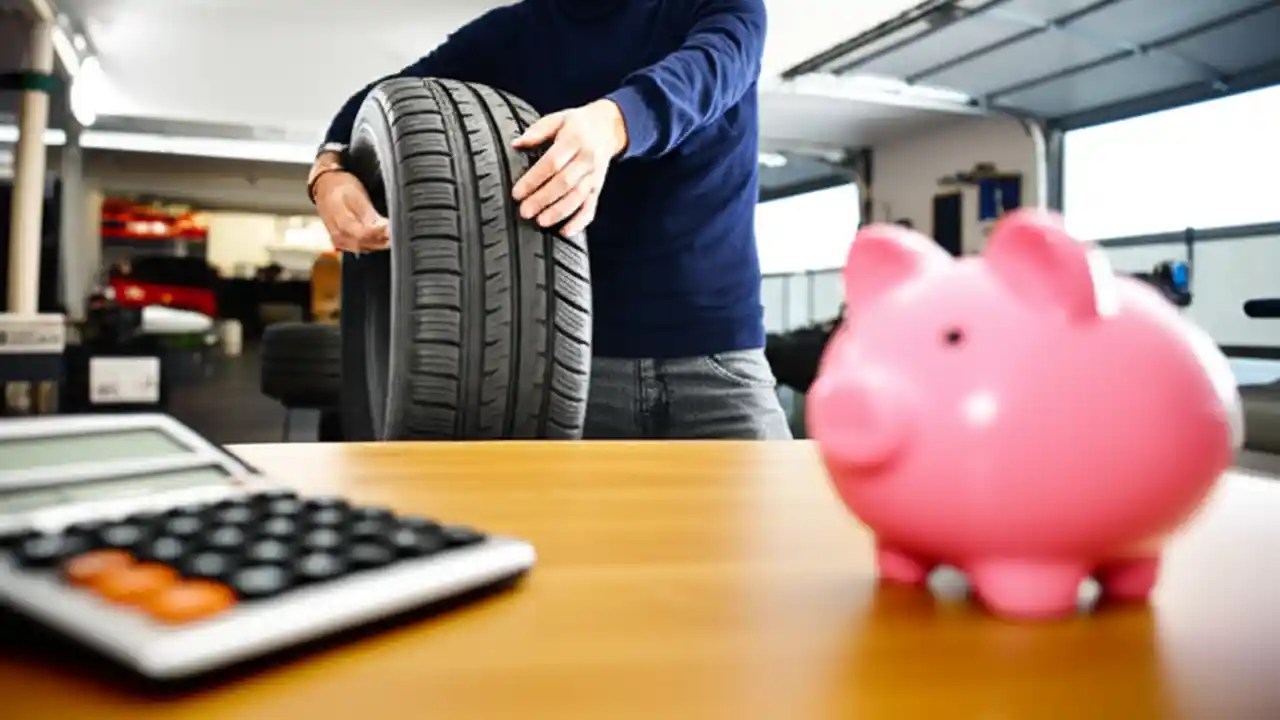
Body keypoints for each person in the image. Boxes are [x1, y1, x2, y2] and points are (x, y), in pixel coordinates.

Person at [308, 0, 790, 440]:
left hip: (721, 365)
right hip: (574, 370)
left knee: (781, 512)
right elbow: (382, 99)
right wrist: (328, 169)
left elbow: (709, 70)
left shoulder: (722, 6)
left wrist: (613, 123)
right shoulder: (510, 34)